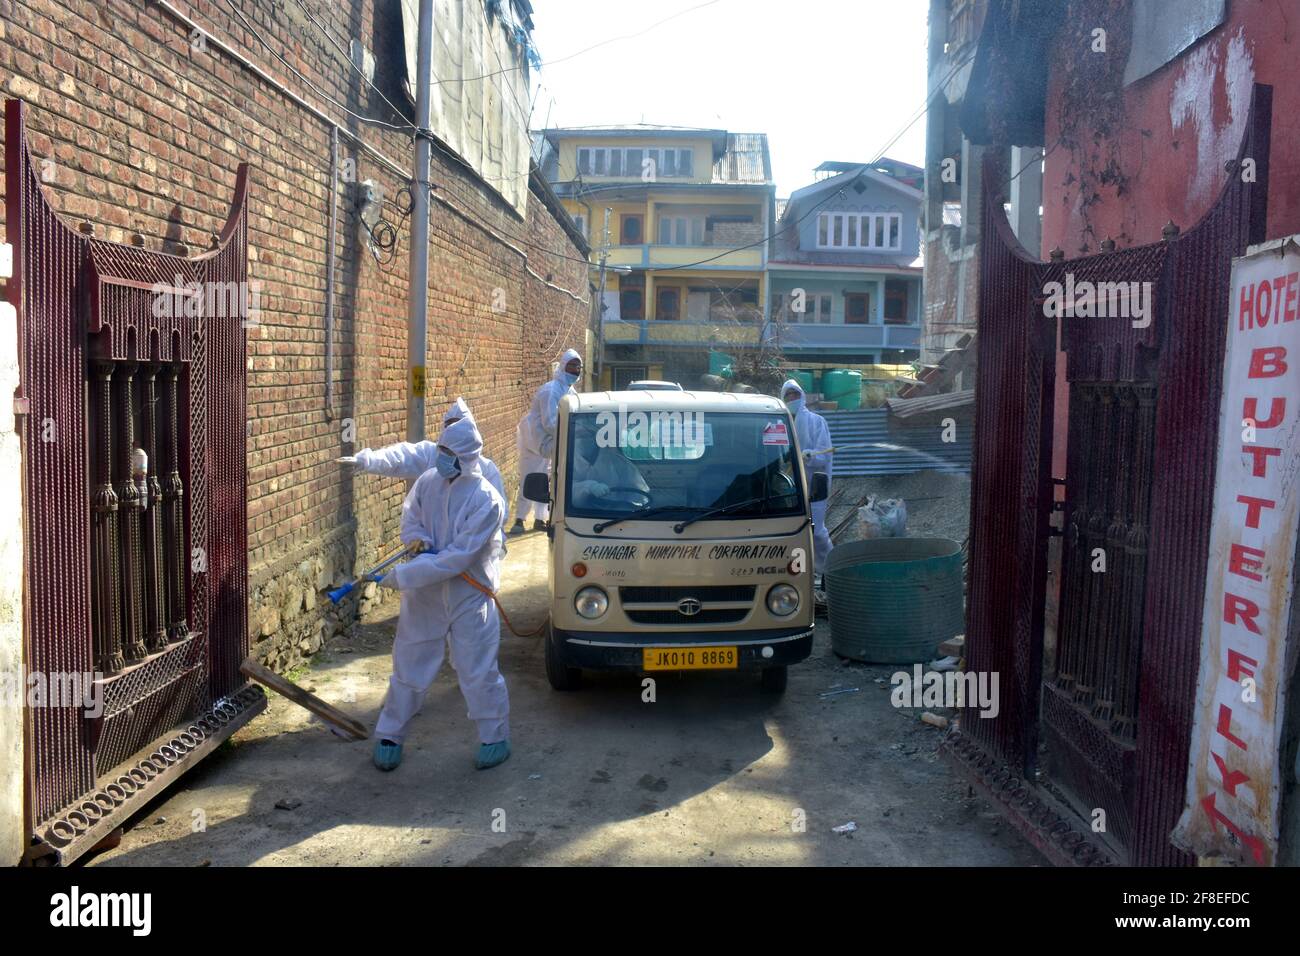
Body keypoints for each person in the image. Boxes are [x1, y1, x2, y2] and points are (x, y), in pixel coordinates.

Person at [371, 417, 511, 772]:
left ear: (465, 456)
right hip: (426, 596)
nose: (441, 457)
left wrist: (403, 575)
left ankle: (494, 736)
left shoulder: (486, 499)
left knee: (476, 668)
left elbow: (457, 558)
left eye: (448, 452)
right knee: (409, 663)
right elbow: (411, 519)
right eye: (441, 449)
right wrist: (417, 539)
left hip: (470, 594)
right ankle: (390, 735)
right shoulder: (428, 482)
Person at [342, 398, 509, 531]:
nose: (452, 433)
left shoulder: (487, 475)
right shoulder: (431, 459)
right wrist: (367, 461)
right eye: (449, 427)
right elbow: (401, 456)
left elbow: (495, 518)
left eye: (458, 427)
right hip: (431, 551)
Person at [511, 348, 582, 535]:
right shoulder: (551, 390)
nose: (575, 370)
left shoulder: (571, 391)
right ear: (564, 366)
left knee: (547, 479)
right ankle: (519, 519)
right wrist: (574, 433)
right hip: (533, 441)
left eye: (578, 366)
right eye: (572, 365)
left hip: (552, 442)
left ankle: (540, 519)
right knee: (529, 478)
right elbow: (550, 422)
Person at [781, 379, 833, 602]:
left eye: (795, 394)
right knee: (791, 533)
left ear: (801, 395)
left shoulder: (816, 422)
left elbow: (825, 455)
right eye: (788, 396)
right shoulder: (780, 422)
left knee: (817, 532)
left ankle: (831, 571)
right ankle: (797, 574)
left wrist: (810, 455)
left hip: (814, 487)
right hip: (787, 488)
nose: (792, 399)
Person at [569, 420, 649, 507]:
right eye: (578, 436)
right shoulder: (568, 461)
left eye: (587, 435)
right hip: (579, 515)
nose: (581, 440)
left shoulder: (617, 462)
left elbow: (640, 495)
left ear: (596, 437)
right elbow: (565, 492)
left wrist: (626, 507)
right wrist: (589, 487)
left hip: (615, 516)